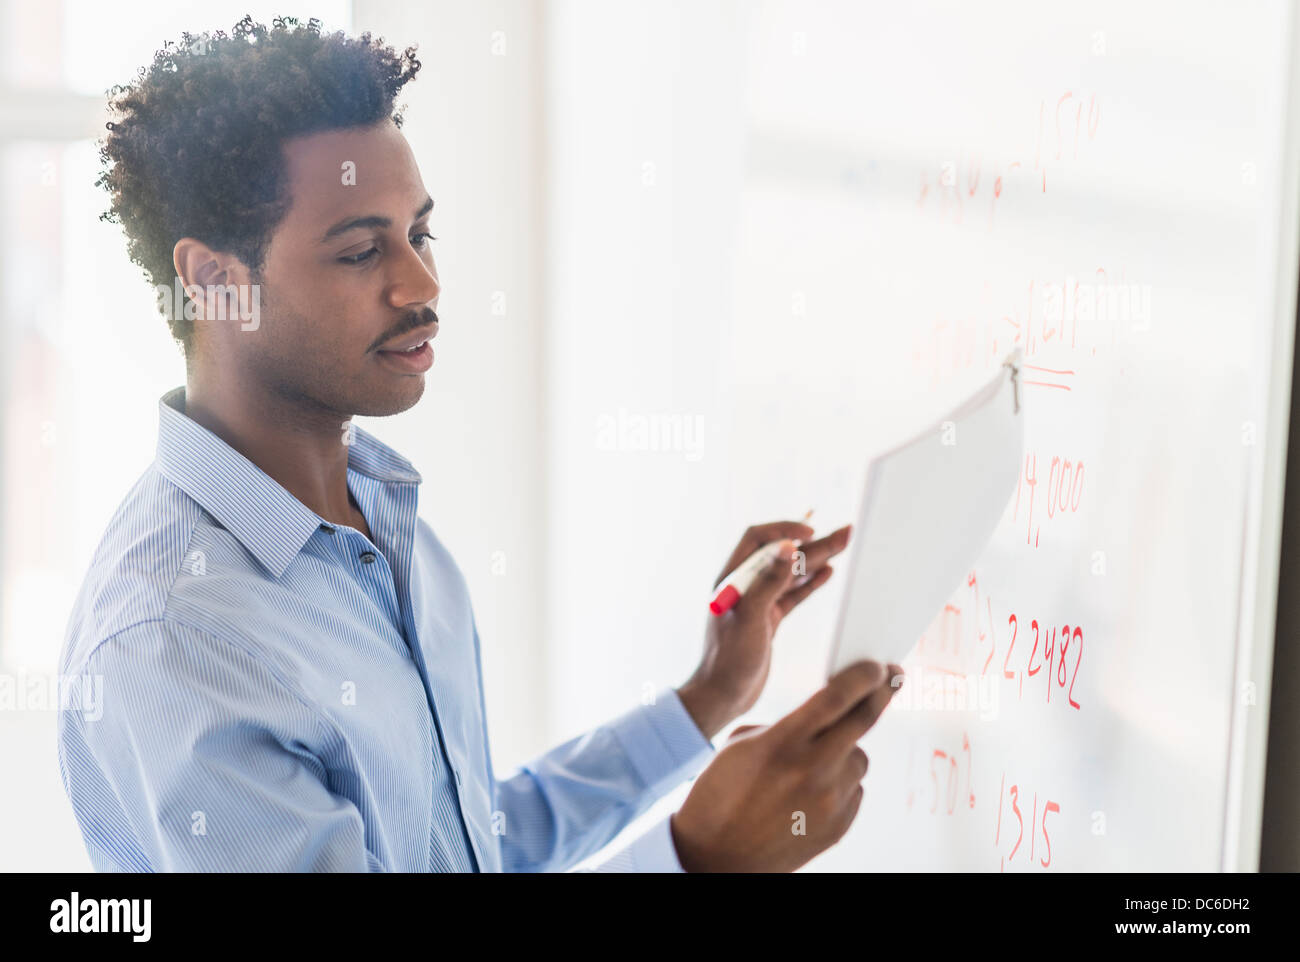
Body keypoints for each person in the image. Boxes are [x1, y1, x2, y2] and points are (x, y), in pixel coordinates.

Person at [57, 15, 902, 873]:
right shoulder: (174, 639)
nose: (422, 283)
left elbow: (469, 845)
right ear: (213, 282)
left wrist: (707, 698)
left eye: (419, 234)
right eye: (360, 251)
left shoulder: (382, 517)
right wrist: (695, 858)